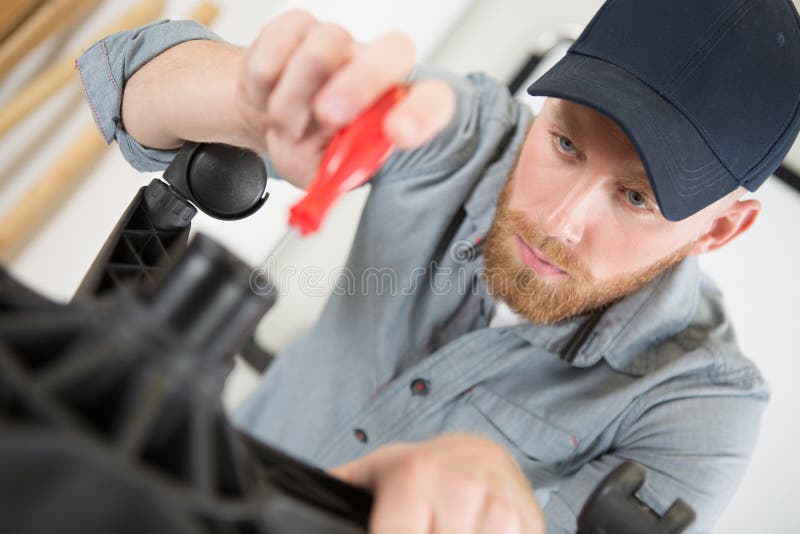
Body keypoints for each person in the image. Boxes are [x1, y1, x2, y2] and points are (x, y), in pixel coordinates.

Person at [76, 0, 800, 531]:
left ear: (722, 229)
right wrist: (246, 102)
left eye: (636, 197)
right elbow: (136, 73)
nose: (558, 222)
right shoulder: (459, 135)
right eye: (565, 144)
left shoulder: (698, 413)